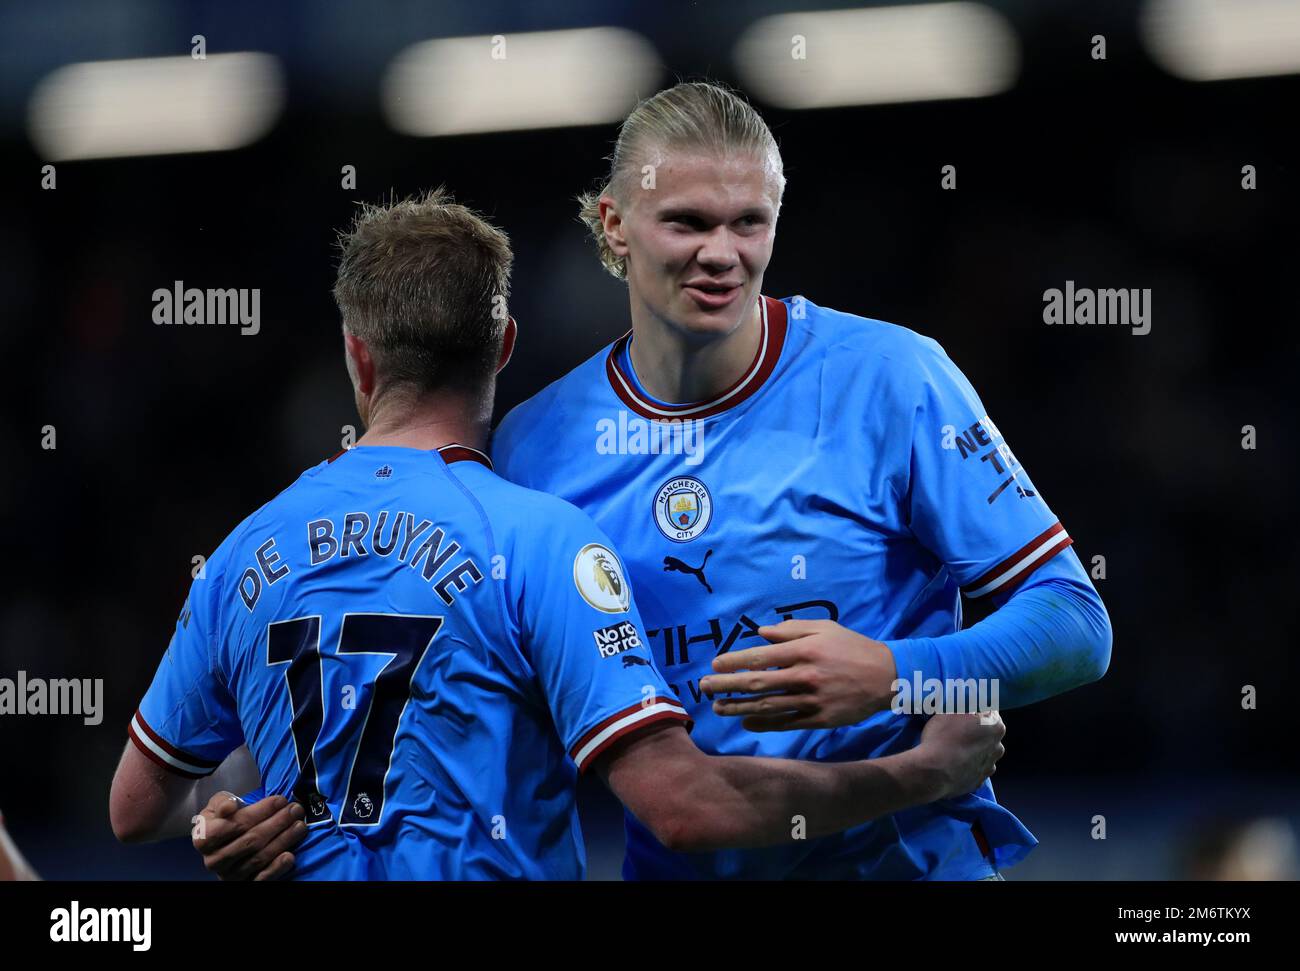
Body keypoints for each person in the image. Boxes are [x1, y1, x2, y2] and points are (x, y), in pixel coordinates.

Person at [109, 189, 1007, 879]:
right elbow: (686, 807)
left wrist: (222, 814)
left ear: (358, 354)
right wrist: (920, 773)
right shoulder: (540, 539)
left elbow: (136, 808)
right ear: (503, 343)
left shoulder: (238, 556)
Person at [489, 81, 1112, 880]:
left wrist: (895, 676)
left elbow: (1074, 623)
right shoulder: (536, 448)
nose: (723, 253)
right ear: (615, 223)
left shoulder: (892, 377)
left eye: (749, 221)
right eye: (687, 222)